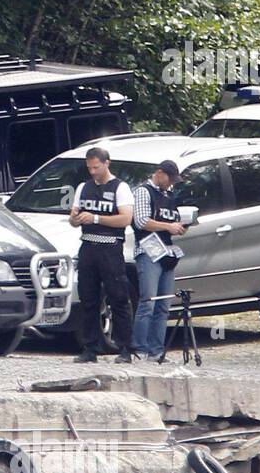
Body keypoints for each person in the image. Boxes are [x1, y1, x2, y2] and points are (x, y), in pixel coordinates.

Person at [69, 146, 135, 364]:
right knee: (88, 297)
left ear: (107, 163)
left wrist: (96, 218)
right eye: (89, 168)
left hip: (110, 247)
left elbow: (125, 219)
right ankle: (90, 346)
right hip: (87, 246)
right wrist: (76, 219)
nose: (93, 172)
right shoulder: (83, 187)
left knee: (118, 296)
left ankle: (125, 346)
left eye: (96, 167)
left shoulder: (120, 188)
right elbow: (73, 217)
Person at [130, 160, 188, 359]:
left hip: (167, 251)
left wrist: (179, 226)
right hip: (148, 250)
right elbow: (141, 221)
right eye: (170, 179)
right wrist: (168, 226)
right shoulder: (143, 192)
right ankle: (139, 349)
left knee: (163, 305)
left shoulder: (169, 196)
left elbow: (169, 221)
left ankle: (156, 351)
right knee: (148, 301)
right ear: (161, 174)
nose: (171, 184)